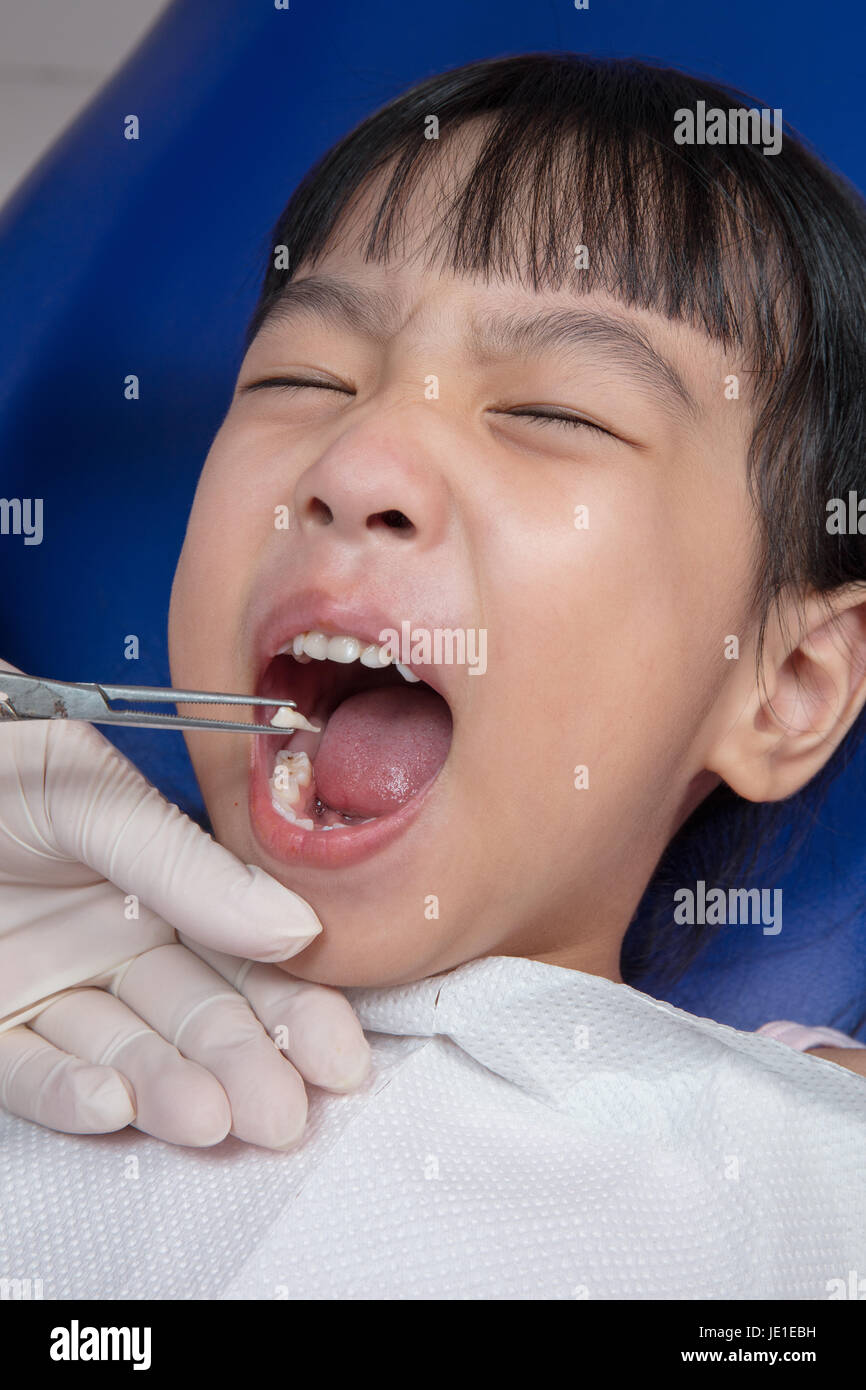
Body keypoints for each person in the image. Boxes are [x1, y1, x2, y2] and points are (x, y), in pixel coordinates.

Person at [2, 52, 866, 1298]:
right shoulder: (28, 1006)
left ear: (783, 681)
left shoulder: (801, 1158)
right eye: (304, 380)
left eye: (552, 410)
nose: (358, 462)